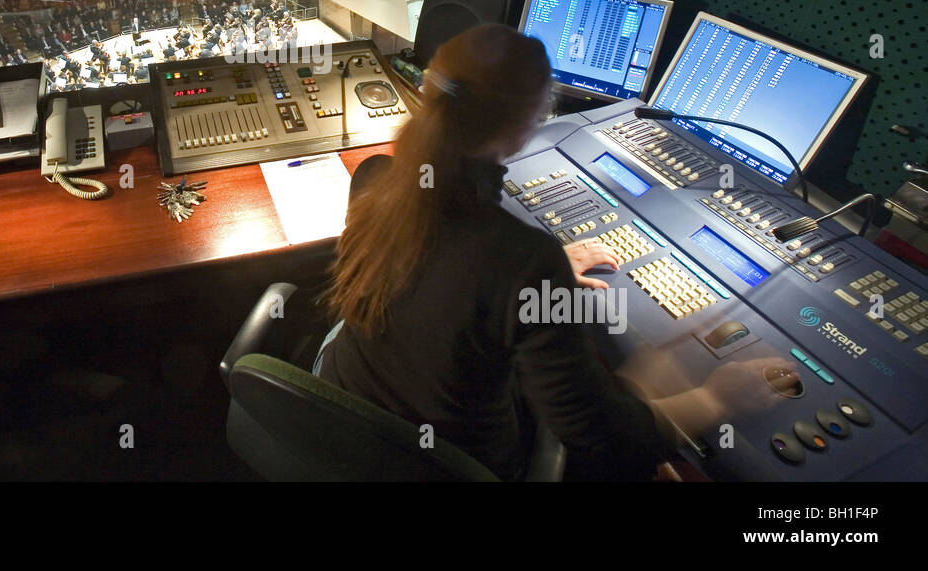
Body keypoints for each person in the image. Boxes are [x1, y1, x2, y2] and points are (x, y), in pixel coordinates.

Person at [315, 24, 788, 481]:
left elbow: (457, 268)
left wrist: (538, 275)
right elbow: (597, 435)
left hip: (338, 406)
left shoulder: (376, 180)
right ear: (526, 126)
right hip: (444, 463)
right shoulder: (521, 260)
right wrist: (716, 399)